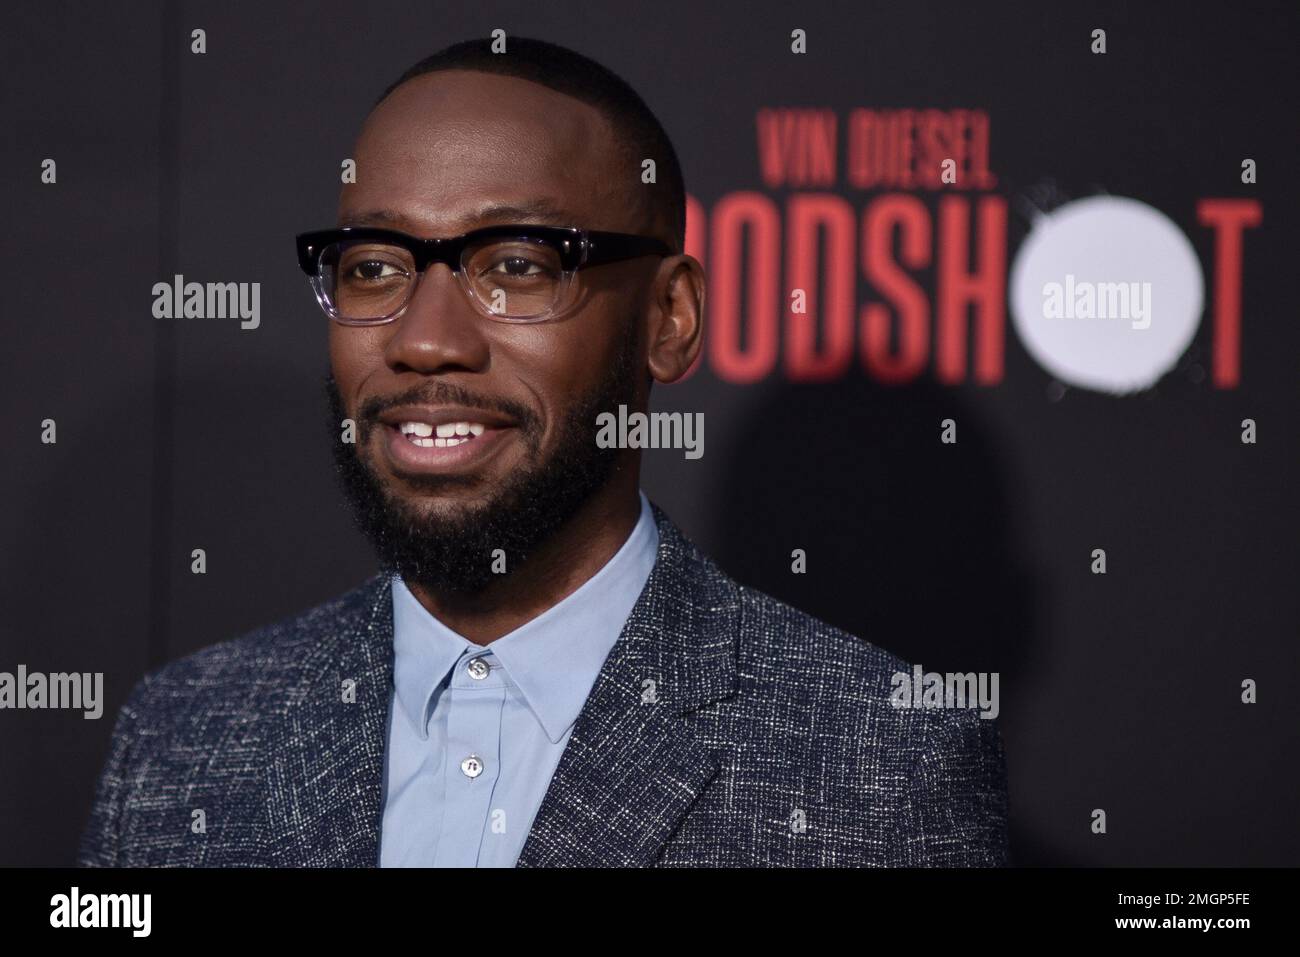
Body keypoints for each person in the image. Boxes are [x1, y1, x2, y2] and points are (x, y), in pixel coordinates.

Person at [79, 36, 1008, 867]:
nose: (427, 338)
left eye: (517, 264)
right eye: (374, 266)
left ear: (669, 319)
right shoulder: (183, 737)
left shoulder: (878, 762)